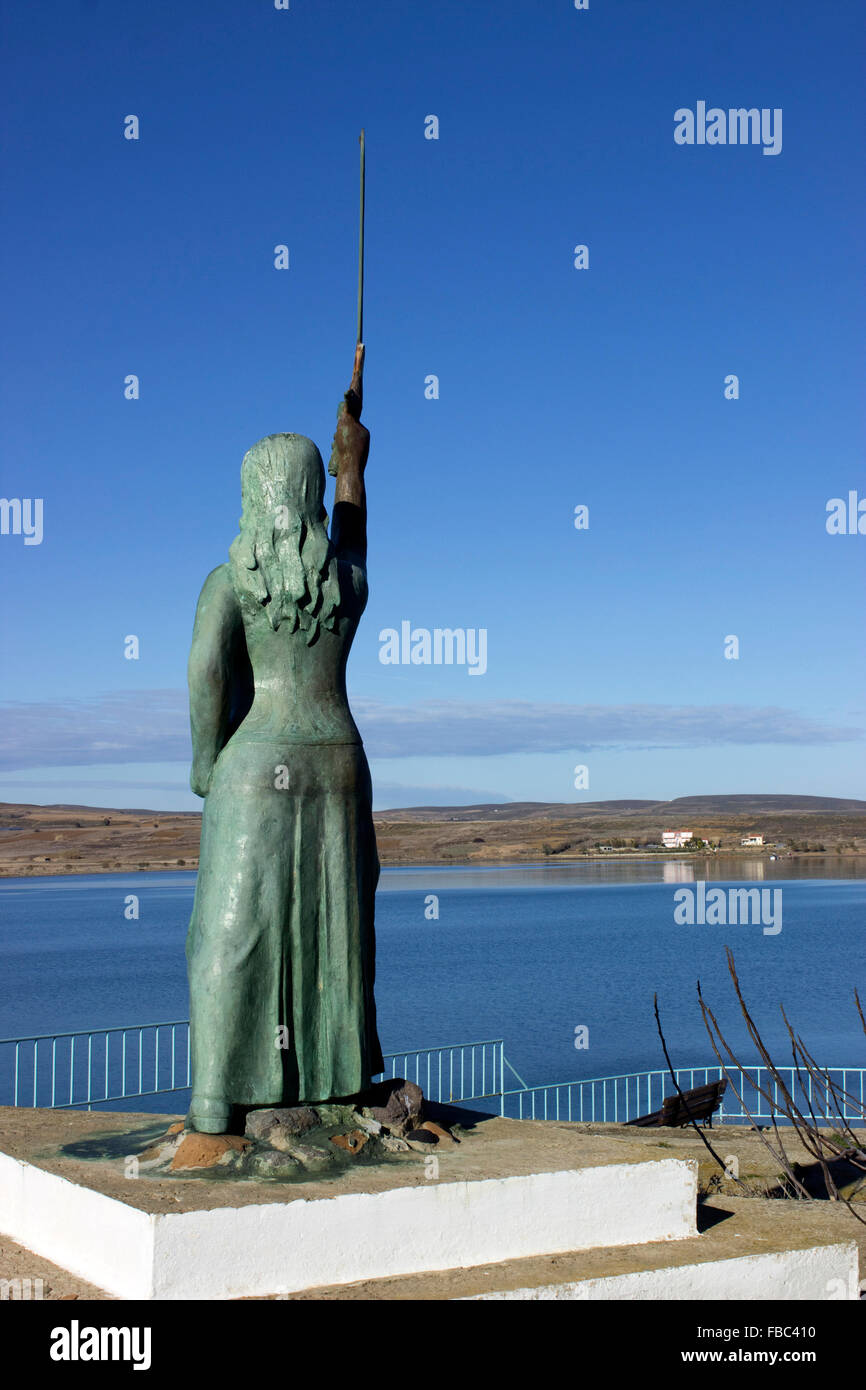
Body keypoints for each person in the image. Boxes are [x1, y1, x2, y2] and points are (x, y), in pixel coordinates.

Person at [184, 358, 383, 1134]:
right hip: (335, 761)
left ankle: (213, 1096)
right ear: (309, 498)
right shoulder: (348, 587)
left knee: (229, 932)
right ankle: (333, 1079)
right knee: (332, 927)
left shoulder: (228, 584)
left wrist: (204, 760)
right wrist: (353, 463)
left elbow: (205, 669)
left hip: (254, 760)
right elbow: (356, 537)